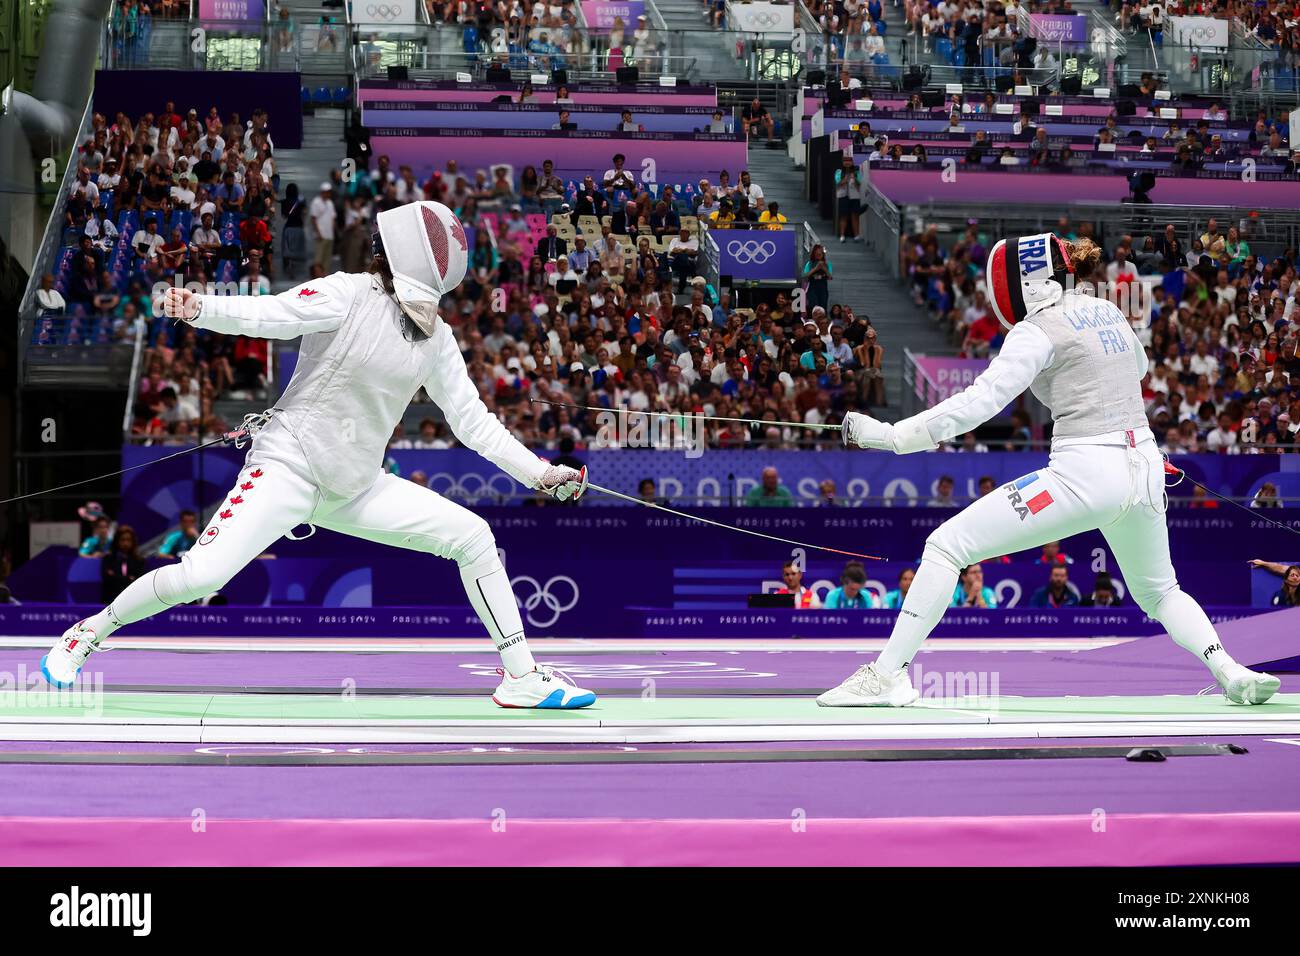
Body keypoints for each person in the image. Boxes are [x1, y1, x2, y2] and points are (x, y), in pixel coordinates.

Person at [42, 201, 596, 710]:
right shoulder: (347, 293)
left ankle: (521, 676)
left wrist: (542, 474)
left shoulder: (437, 339)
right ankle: (86, 633)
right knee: (201, 578)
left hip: (355, 484)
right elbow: (272, 315)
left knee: (473, 537)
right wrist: (199, 307)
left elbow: (475, 424)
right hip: (288, 466)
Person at [819, 233, 1281, 707]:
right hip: (1144, 471)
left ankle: (887, 675)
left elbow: (980, 403)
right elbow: (1138, 366)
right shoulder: (1107, 309)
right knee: (1163, 593)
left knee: (945, 546)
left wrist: (892, 437)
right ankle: (1228, 670)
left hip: (1084, 474)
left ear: (1022, 286)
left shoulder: (1036, 330)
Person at [101, 526, 146, 603]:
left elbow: (140, 581)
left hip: (133, 600)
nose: (125, 543)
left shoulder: (139, 560)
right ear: (117, 541)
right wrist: (129, 579)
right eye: (122, 540)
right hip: (110, 600)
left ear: (133, 541)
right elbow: (108, 579)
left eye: (128, 540)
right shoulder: (108, 558)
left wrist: (117, 577)